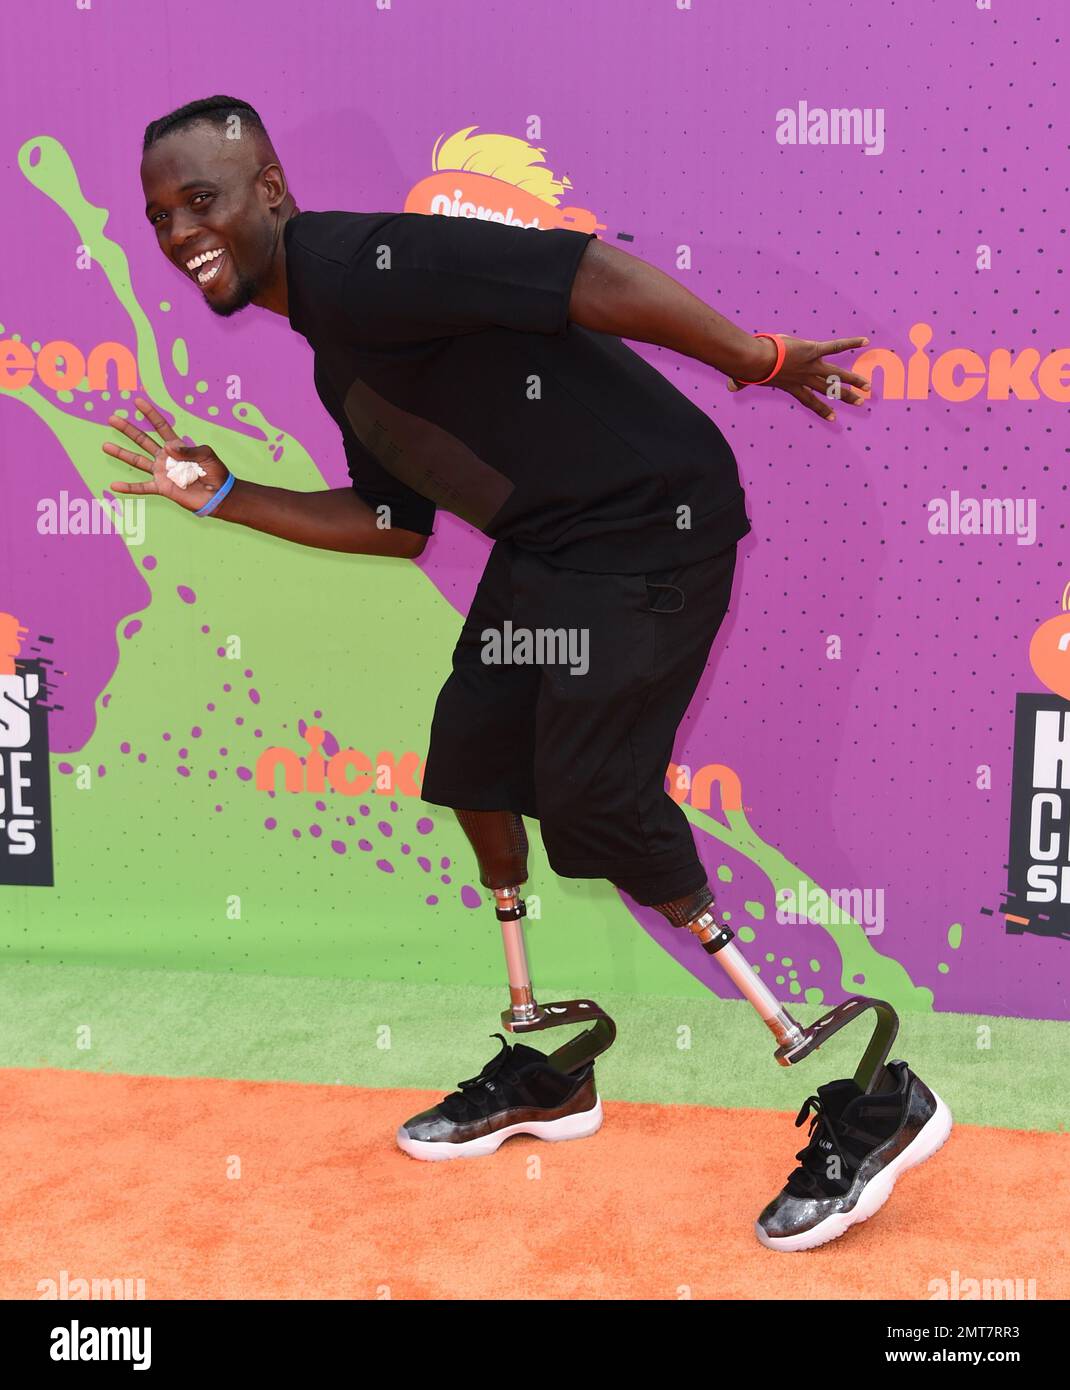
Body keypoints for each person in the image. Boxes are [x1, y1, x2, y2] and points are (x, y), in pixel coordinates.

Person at [104, 95, 951, 1251]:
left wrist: (754, 358)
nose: (178, 231)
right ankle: (546, 1069)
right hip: (556, 546)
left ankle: (873, 1099)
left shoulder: (370, 259)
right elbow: (397, 522)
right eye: (158, 215)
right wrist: (221, 496)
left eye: (198, 199)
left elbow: (582, 271)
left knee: (599, 805)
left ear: (269, 190)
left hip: (654, 525)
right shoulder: (332, 347)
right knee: (475, 757)